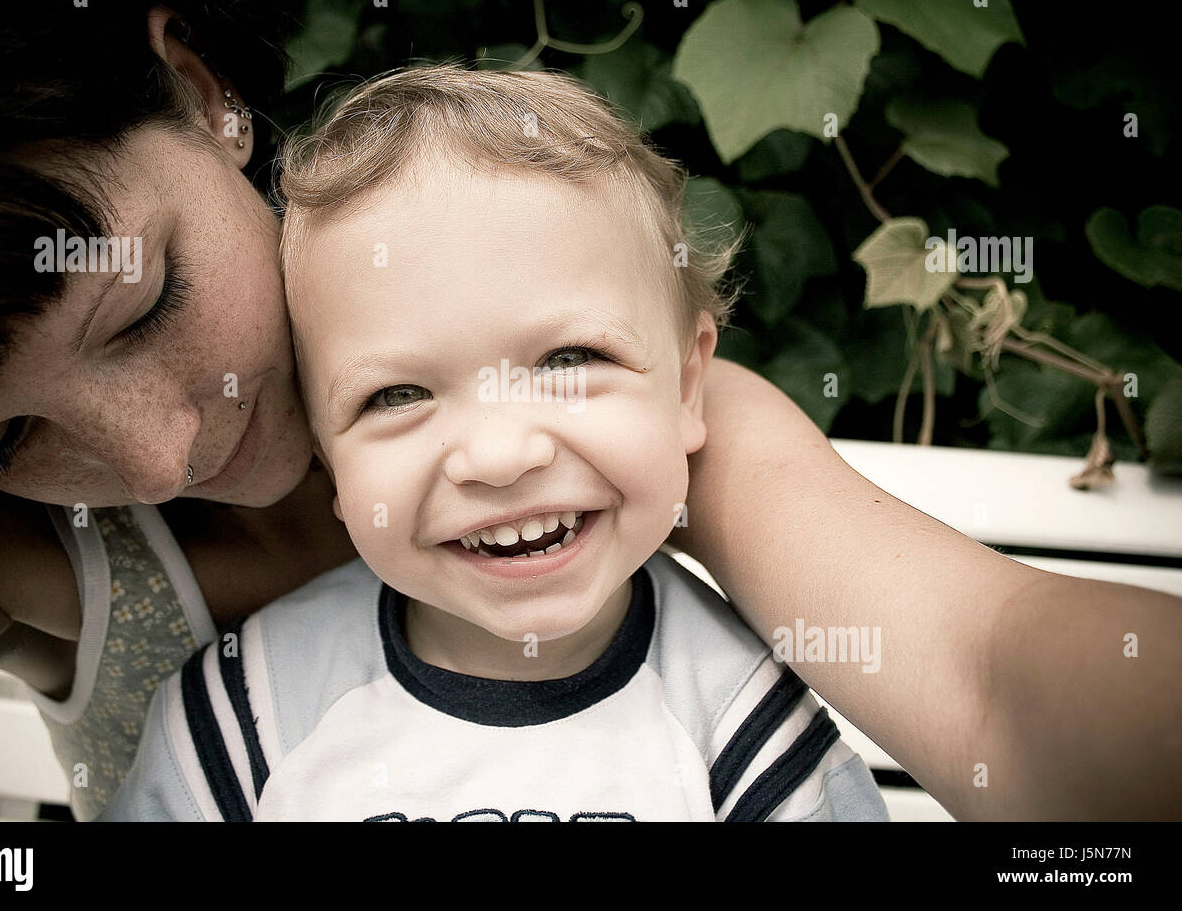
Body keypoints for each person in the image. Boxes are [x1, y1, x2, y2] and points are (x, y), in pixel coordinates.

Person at [0, 0, 1179, 822]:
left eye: (147, 301)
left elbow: (987, 668)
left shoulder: (621, 429)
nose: (159, 461)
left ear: (202, 89)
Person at [102, 66, 889, 821]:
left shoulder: (740, 717)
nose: (500, 455)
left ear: (686, 388)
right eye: (397, 395)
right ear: (326, 455)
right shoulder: (247, 716)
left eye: (571, 360)